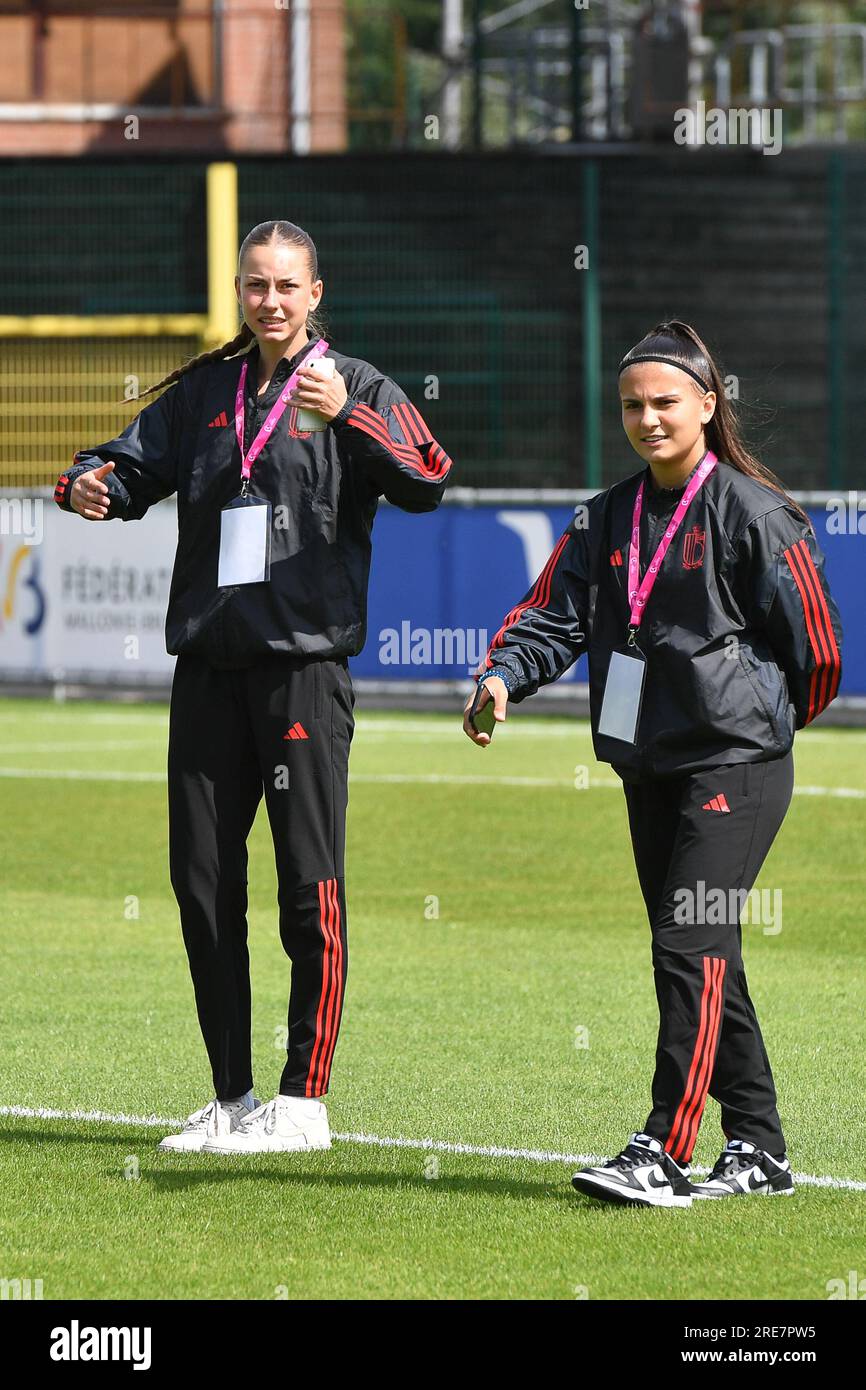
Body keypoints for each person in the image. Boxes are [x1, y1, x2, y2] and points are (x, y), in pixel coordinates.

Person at [55, 219, 453, 1155]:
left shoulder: (352, 387)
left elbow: (430, 478)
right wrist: (89, 482)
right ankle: (232, 1098)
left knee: (308, 882)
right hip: (206, 667)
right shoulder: (205, 391)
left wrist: (351, 411)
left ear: (317, 295)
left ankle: (303, 1101)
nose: (269, 301)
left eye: (286, 286)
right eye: (254, 285)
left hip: (302, 669)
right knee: (199, 881)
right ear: (240, 293)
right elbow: (126, 464)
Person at [463, 320, 842, 1208]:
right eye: (632, 404)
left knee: (688, 943)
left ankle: (666, 1148)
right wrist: (502, 675)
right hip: (650, 762)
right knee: (707, 956)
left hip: (734, 767)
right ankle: (758, 1148)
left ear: (709, 405)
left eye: (665, 401)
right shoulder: (606, 515)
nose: (647, 418)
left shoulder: (755, 513)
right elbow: (552, 614)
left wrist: (759, 729)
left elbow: (817, 653)